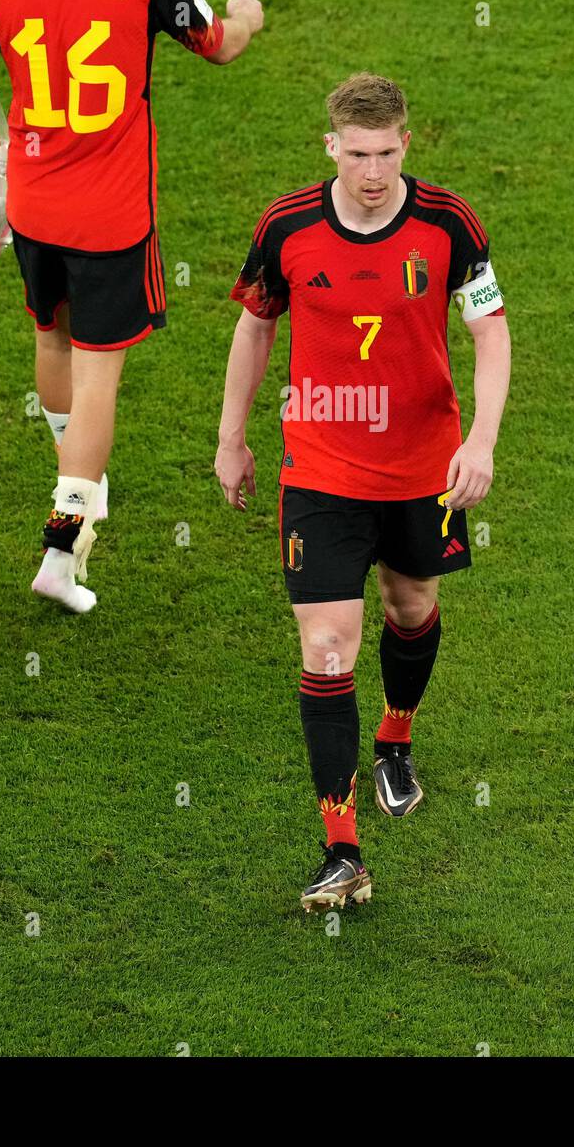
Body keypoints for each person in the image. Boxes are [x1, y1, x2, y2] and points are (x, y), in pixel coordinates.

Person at [0, 0, 264, 612]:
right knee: (99, 381)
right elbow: (216, 42)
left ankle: (78, 476)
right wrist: (249, 14)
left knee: (52, 335)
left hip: (32, 209)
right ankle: (62, 543)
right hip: (113, 215)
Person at [214, 73, 510, 910]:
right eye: (356, 154)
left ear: (405, 145)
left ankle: (396, 737)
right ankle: (340, 847)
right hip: (322, 467)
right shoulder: (287, 227)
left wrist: (480, 440)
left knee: (409, 608)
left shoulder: (449, 224)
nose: (372, 172)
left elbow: (488, 332)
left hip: (423, 465)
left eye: (385, 153)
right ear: (330, 147)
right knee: (326, 647)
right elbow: (254, 322)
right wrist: (232, 438)